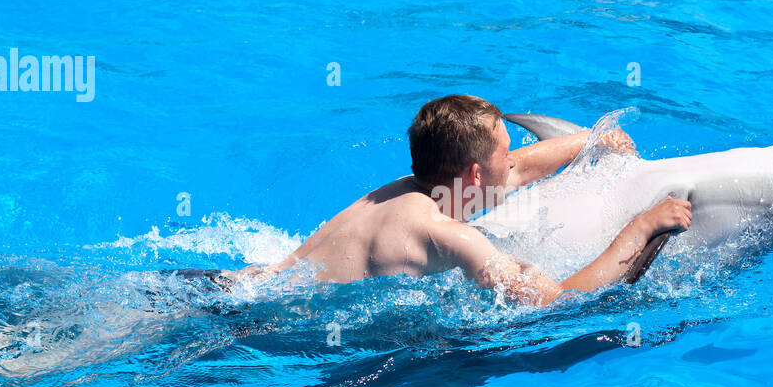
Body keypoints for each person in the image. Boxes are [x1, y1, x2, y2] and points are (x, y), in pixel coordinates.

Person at [223, 95, 690, 305]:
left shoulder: (403, 190)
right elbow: (558, 302)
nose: (514, 163)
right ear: (472, 174)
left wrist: (590, 140)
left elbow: (518, 168)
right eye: (504, 154)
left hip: (234, 287)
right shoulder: (448, 235)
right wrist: (640, 228)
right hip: (264, 325)